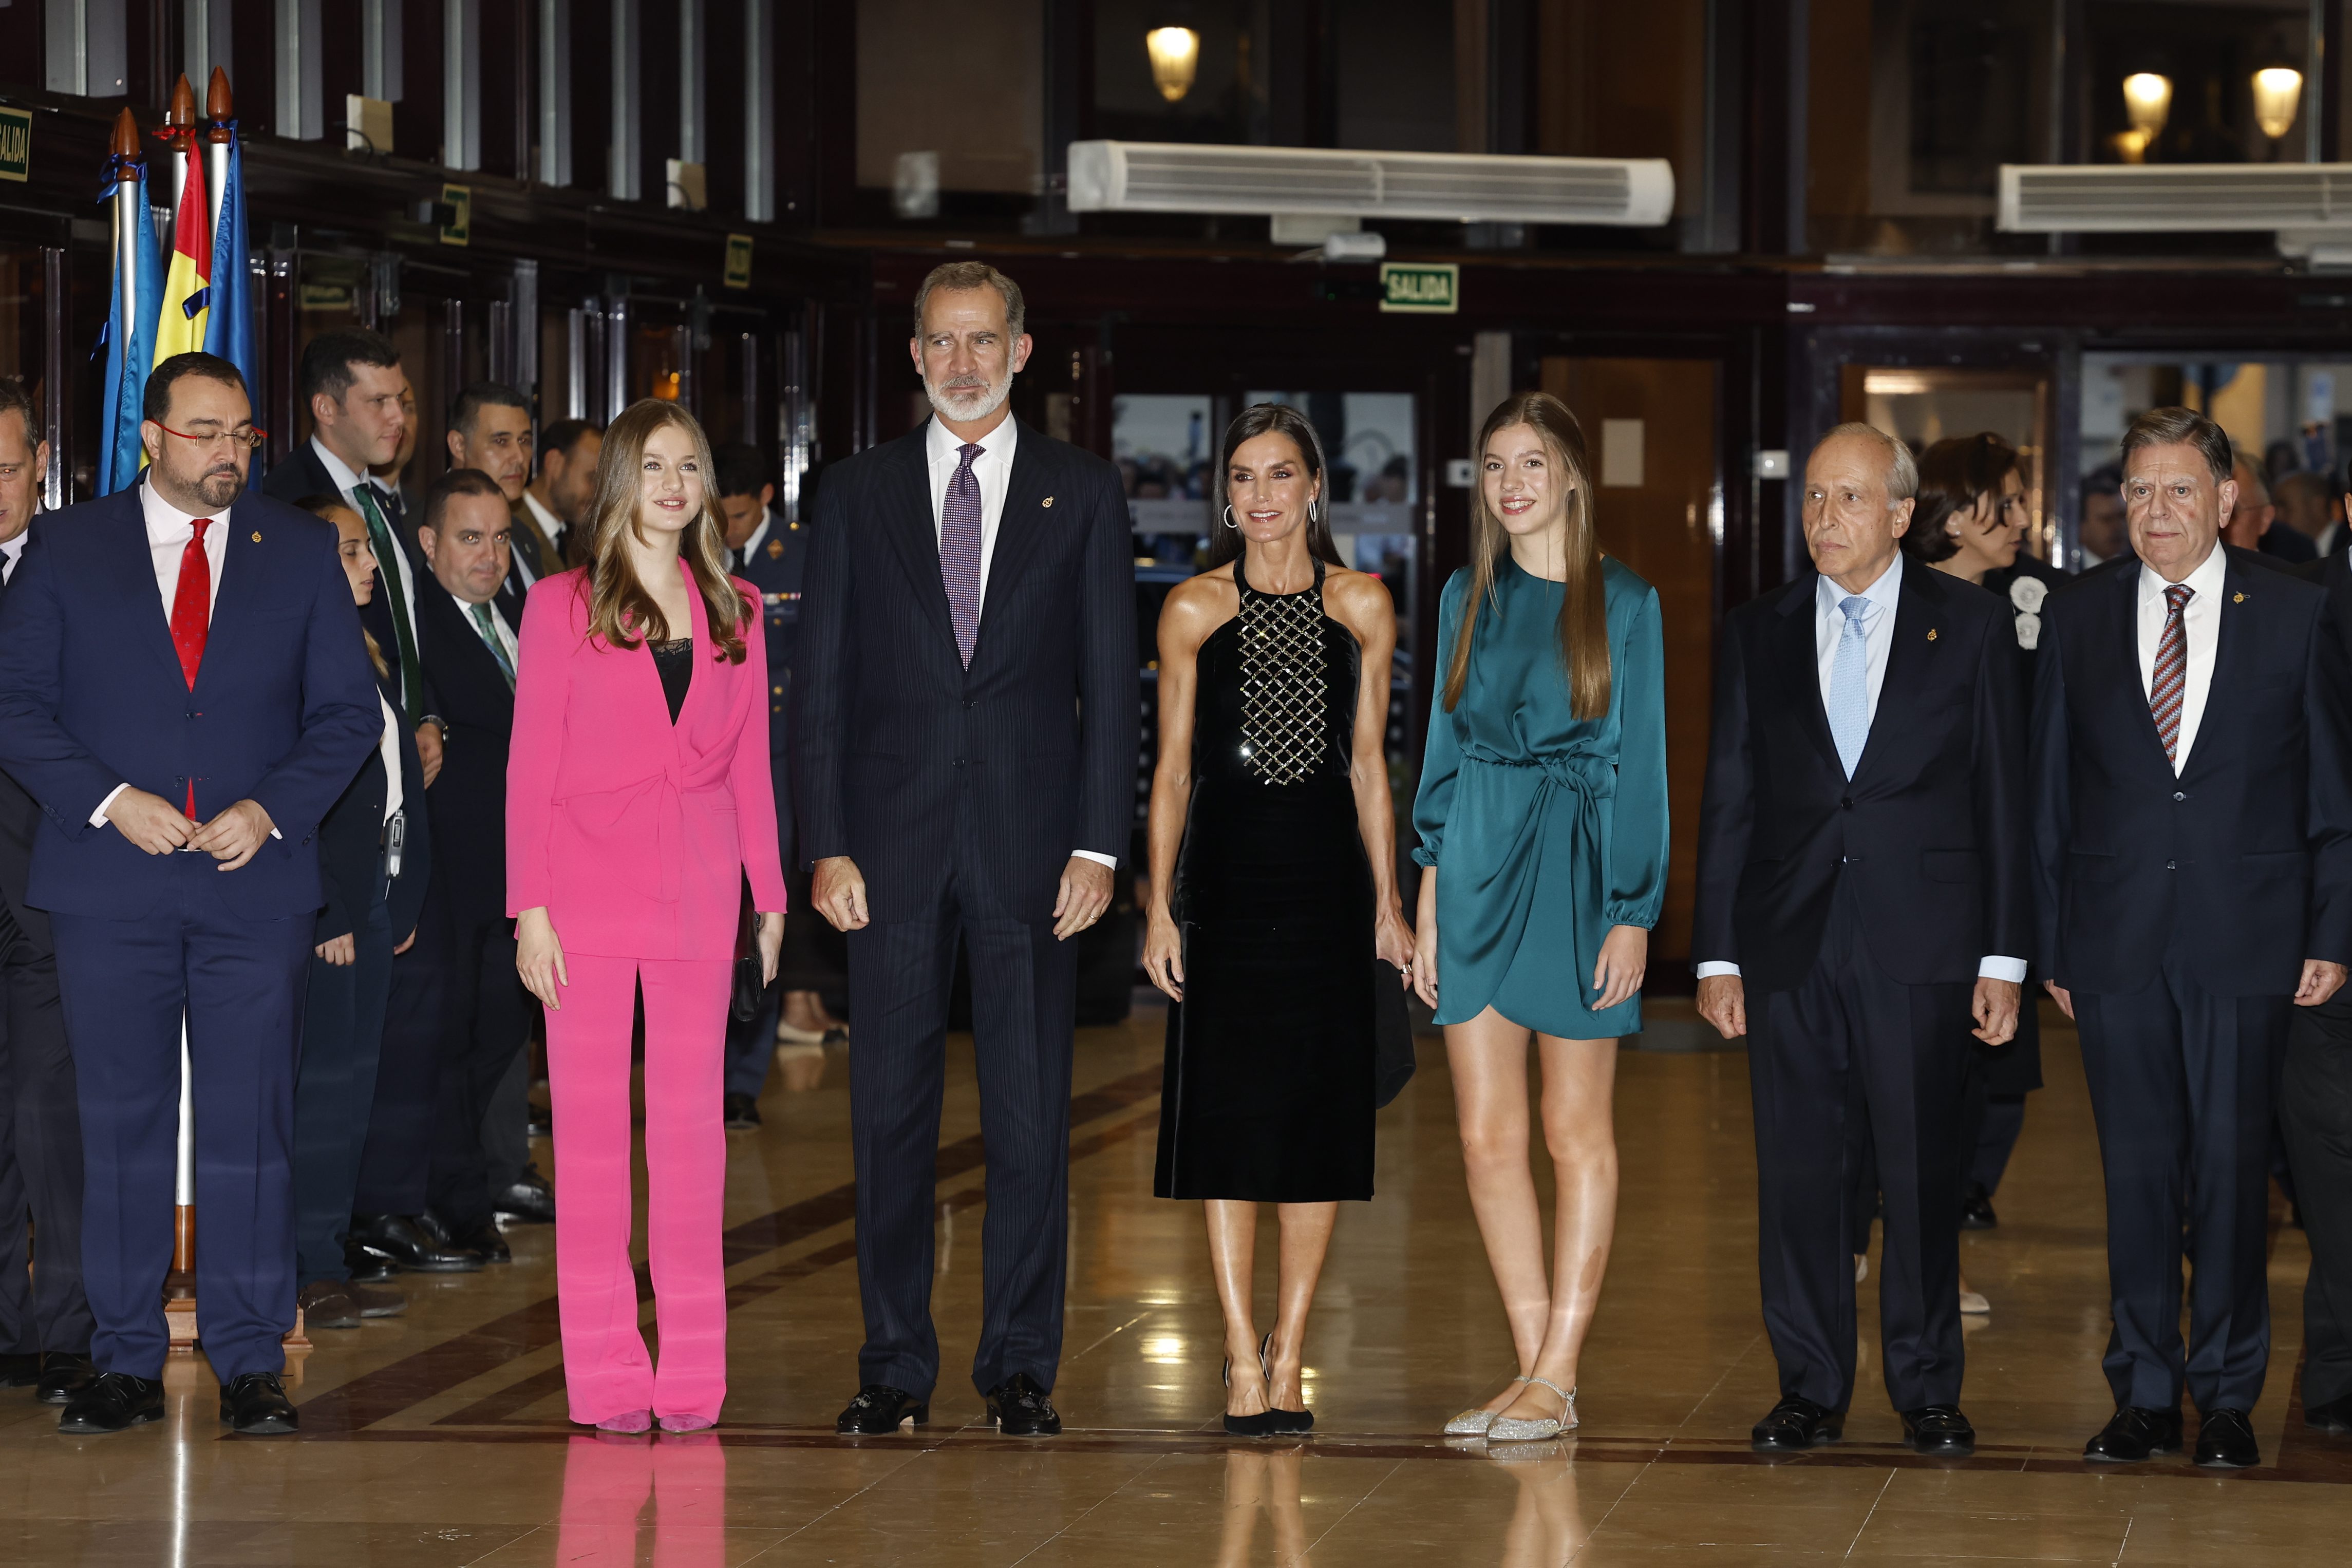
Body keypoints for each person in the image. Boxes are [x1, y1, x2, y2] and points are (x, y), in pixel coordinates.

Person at [0, 351, 382, 1435]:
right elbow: (16, 703)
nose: (229, 452)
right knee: (117, 1120)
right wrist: (111, 797)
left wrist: (271, 810)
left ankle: (250, 1353)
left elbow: (348, 715)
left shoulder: (298, 548)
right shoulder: (70, 548)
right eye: (206, 431)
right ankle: (121, 1353)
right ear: (152, 438)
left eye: (243, 433)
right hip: (108, 882)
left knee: (249, 1121)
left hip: (251, 882)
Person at [795, 261, 1137, 1439]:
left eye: (982, 341)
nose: (961, 363)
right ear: (914, 355)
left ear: (1022, 352)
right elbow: (822, 686)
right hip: (882, 855)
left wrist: (1100, 844)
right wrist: (825, 842)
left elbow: (1110, 684)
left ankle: (1020, 1365)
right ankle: (892, 1364)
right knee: (886, 1115)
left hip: (1036, 852)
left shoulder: (1082, 493)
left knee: (1032, 1117)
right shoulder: (853, 492)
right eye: (940, 343)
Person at [1695, 422, 2029, 1461]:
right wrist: (1715, 953)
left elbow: (2003, 799)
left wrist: (2005, 956)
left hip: (1923, 940)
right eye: (1813, 499)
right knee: (1801, 1173)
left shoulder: (1968, 626)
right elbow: (1732, 798)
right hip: (1789, 941)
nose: (1824, 519)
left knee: (1923, 1170)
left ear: (1898, 512)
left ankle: (1927, 1385)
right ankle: (1810, 1384)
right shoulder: (1760, 629)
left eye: (1848, 499)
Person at [2031, 406, 2352, 1469]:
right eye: (2136, 490)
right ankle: (2143, 1391)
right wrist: (2053, 945)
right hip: (2113, 943)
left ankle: (2224, 1395)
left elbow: (2332, 793)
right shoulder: (2075, 618)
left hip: (2250, 936)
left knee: (2229, 1171)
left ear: (2225, 501)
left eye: (2178, 490)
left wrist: (2330, 930)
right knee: (2134, 1174)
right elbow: (2048, 799)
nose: (2155, 510)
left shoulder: (2298, 612)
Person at [510, 399, 785, 1433]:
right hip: (581, 899)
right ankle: (608, 1373)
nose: (675, 483)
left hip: (702, 899)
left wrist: (770, 897)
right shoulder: (560, 604)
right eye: (656, 464)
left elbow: (755, 767)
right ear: (622, 479)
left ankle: (694, 1374)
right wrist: (528, 908)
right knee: (587, 1149)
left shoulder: (740, 607)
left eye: (691, 465)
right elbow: (529, 767)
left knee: (691, 1144)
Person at [1142, 403, 1410, 1437]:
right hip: (1226, 882)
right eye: (1243, 478)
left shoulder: (1364, 604)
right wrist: (1158, 904)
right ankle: (1233, 1349)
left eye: (1280, 475)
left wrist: (1388, 903)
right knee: (1227, 1116)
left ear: (1313, 489)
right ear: (1228, 495)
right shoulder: (1191, 609)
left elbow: (1371, 771)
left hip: (1326, 884)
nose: (1260, 496)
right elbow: (1169, 771)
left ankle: (1289, 1347)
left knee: (1315, 1120)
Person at [1407, 392, 1667, 1443]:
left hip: (1576, 862)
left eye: (1531, 462)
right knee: (1484, 1136)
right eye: (1495, 465)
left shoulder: (1626, 599)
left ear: (1569, 474)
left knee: (1573, 1128)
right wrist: (1426, 891)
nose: (1511, 484)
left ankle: (1561, 1370)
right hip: (1471, 859)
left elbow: (1641, 762)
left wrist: (1632, 908)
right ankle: (1530, 1369)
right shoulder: (1467, 591)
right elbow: (1438, 747)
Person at [1902, 433, 2064, 1263]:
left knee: (1991, 1065)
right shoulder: (1880, 602)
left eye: (2017, 499)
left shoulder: (2041, 601)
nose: (2016, 517)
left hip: (2002, 872)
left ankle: (1950, 1217)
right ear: (1952, 513)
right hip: (1910, 881)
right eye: (1998, 501)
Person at [286, 494, 434, 1331]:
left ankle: (330, 1255)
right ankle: (305, 1266)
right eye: (351, 551)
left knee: (356, 1088)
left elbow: (398, 778)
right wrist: (330, 905)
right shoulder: (292, 657)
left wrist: (398, 892)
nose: (370, 563)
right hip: (328, 914)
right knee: (321, 1091)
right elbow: (290, 799)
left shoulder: (360, 649)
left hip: (373, 904)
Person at [405, 470, 538, 1261]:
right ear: (428, 545)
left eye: (499, 537)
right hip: (450, 872)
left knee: (497, 1033)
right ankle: (454, 1204)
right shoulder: (411, 625)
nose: (489, 556)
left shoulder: (521, 616)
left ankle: (469, 1186)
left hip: (521, 876)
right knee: (448, 1038)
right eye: (468, 537)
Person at [0, 377, 95, 1406]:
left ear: (43, 467)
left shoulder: (81, 574)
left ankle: (63, 1327)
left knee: (52, 1115)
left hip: (48, 882)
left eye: (8, 469)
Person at [262, 328, 445, 790]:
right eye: (378, 402)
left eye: (401, 400)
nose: (397, 417)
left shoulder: (379, 500)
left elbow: (407, 621)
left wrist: (426, 715)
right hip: (340, 765)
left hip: (403, 751)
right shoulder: (285, 504)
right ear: (326, 408)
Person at [711, 444, 825, 1130]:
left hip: (778, 762)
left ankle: (741, 1078)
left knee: (761, 915)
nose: (725, 530)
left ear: (763, 498)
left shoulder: (803, 554)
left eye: (737, 515)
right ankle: (700, 1064)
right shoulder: (688, 552)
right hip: (706, 764)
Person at [444, 383, 541, 589]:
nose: (519, 457)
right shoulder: (424, 527)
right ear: (459, 445)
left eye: (524, 440)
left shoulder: (523, 534)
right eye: (501, 441)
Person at [523, 419, 603, 571]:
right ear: (554, 464)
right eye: (592, 477)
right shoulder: (509, 529)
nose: (598, 493)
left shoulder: (578, 543)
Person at [2273, 469, 2338, 557]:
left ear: (2317, 506)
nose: (2277, 515)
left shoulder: (2347, 544)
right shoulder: (2283, 551)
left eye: (2285, 506)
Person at [2079, 466, 2129, 566]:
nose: (2118, 526)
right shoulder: (2068, 571)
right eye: (2106, 519)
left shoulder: (2138, 566)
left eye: (2122, 516)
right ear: (2082, 527)